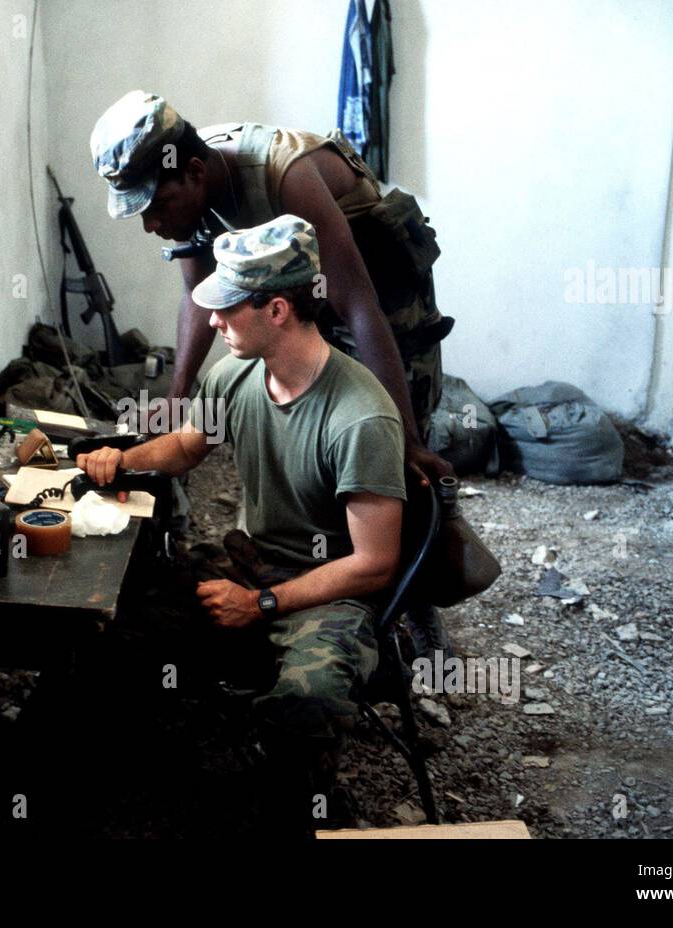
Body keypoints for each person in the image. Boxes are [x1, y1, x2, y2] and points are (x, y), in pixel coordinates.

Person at [90, 89, 455, 659]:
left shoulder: (286, 175)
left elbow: (358, 305)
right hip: (277, 289)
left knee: (393, 459)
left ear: (192, 172)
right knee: (297, 426)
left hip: (375, 287)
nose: (152, 224)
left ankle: (408, 599)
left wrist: (405, 434)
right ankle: (307, 570)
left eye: (155, 207)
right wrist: (178, 401)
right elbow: (198, 300)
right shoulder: (189, 192)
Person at [77, 215, 406, 833]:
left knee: (305, 704)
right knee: (111, 624)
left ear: (277, 309)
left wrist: (261, 603)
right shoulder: (236, 374)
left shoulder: (359, 417)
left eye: (227, 309)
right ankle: (145, 786)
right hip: (254, 562)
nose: (212, 322)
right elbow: (184, 448)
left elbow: (374, 564)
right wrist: (121, 459)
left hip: (330, 589)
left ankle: (295, 812)